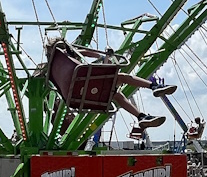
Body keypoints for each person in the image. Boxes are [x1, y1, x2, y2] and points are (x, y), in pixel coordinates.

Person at [45, 39, 174, 129]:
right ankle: (154, 86)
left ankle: (141, 116)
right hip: (90, 85)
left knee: (116, 95)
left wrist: (101, 56)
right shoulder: (68, 59)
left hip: (79, 97)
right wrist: (105, 56)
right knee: (121, 77)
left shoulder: (54, 70)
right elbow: (91, 64)